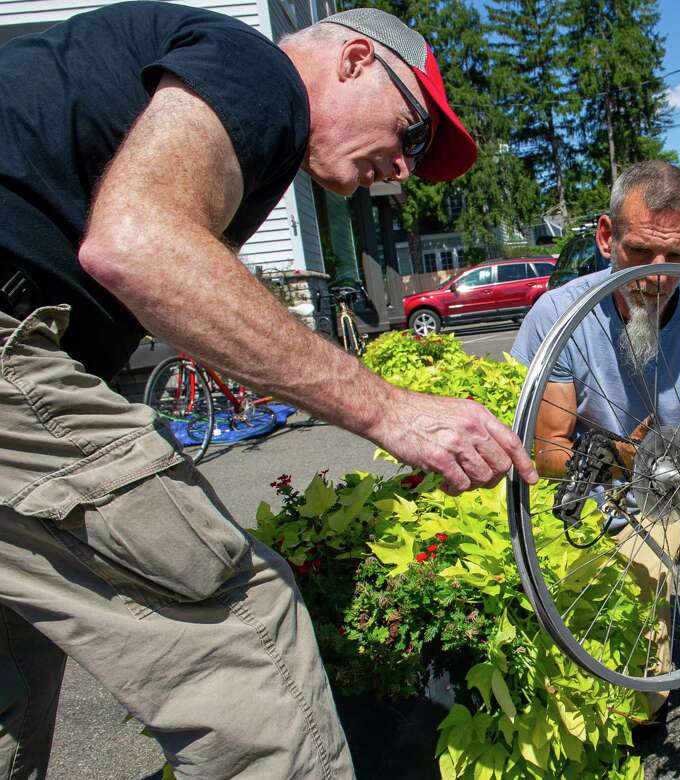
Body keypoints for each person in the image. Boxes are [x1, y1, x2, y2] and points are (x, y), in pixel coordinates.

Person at [0, 5, 537, 779]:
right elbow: (137, 244)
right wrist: (389, 408)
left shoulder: (202, 97)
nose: (405, 167)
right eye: (412, 131)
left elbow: (155, 259)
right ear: (354, 60)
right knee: (242, 631)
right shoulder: (261, 75)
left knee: (11, 677)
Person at [511, 160, 680, 729]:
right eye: (638, 253)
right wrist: (622, 458)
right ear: (607, 236)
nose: (657, 276)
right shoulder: (559, 317)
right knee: (640, 705)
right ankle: (644, 706)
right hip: (593, 506)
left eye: (677, 258)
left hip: (679, 495)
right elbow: (547, 450)